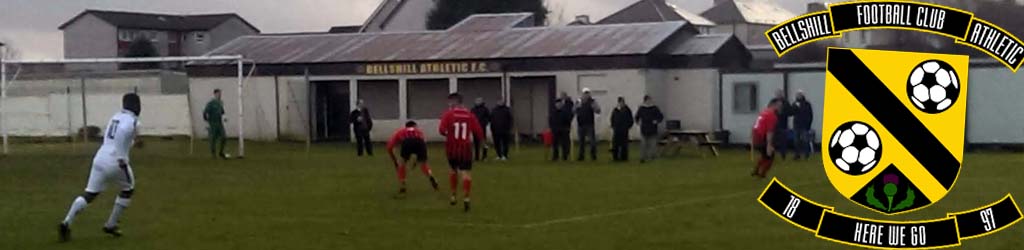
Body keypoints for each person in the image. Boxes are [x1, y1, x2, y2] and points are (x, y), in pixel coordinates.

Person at [59, 93, 142, 242]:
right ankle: (111, 224)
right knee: (128, 188)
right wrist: (122, 157)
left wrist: (131, 144)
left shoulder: (116, 116)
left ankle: (66, 222)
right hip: (116, 161)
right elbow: (122, 133)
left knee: (89, 194)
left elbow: (117, 135)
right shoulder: (133, 121)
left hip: (100, 158)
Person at [439, 93, 485, 212]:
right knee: (466, 173)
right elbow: (478, 132)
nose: (448, 104)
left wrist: (449, 134)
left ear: (455, 102)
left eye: (450, 102)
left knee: (453, 170)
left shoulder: (448, 114)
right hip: (465, 148)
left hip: (452, 148)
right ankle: (466, 198)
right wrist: (483, 144)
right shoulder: (470, 115)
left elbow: (441, 130)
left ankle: (453, 195)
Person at [386, 121, 439, 197]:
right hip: (420, 142)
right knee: (423, 164)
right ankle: (431, 176)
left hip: (407, 141)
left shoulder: (401, 131)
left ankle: (403, 184)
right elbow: (422, 143)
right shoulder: (419, 132)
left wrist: (394, 160)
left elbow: (390, 146)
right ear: (414, 126)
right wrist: (416, 160)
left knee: (402, 163)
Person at [752, 99, 782, 178]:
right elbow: (769, 131)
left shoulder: (764, 112)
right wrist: (769, 145)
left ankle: (756, 170)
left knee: (764, 156)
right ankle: (762, 174)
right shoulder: (772, 116)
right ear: (773, 105)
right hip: (762, 137)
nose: (780, 108)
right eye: (779, 106)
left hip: (756, 136)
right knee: (770, 156)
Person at [635, 95, 664, 163]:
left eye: (650, 100)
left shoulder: (655, 108)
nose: (649, 101)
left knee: (653, 145)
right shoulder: (641, 108)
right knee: (643, 144)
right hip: (644, 129)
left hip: (653, 129)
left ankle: (652, 157)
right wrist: (638, 122)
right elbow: (637, 117)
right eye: (648, 100)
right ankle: (642, 158)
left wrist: (657, 121)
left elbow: (660, 116)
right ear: (645, 101)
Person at [575, 88, 601, 161]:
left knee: (592, 141)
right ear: (582, 94)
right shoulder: (579, 101)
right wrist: (577, 107)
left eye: (587, 93)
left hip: (589, 124)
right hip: (581, 124)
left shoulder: (592, 101)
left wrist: (594, 107)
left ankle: (593, 155)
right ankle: (581, 156)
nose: (586, 95)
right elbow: (573, 110)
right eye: (585, 93)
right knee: (581, 142)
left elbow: (598, 110)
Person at [203, 89, 227, 159]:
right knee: (213, 139)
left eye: (220, 94)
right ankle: (213, 153)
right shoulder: (211, 103)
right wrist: (206, 120)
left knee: (224, 137)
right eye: (219, 94)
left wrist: (224, 118)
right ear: (215, 94)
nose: (220, 95)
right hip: (213, 123)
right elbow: (205, 112)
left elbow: (222, 112)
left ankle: (221, 152)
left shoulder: (220, 103)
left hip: (219, 123)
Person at [549, 97, 573, 161]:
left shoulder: (565, 112)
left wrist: (567, 127)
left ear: (561, 104)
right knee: (555, 144)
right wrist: (551, 128)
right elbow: (550, 120)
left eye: (559, 103)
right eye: (557, 104)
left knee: (564, 144)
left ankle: (564, 156)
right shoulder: (553, 112)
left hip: (564, 129)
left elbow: (569, 120)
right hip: (555, 130)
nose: (558, 105)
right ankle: (555, 156)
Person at [610, 97, 634, 162]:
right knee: (615, 145)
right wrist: (613, 126)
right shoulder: (615, 110)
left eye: (622, 102)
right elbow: (612, 118)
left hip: (624, 130)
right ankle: (615, 158)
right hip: (617, 130)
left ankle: (624, 158)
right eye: (619, 102)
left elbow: (631, 119)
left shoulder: (627, 110)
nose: (620, 103)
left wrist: (627, 126)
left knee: (624, 144)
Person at [792, 91, 814, 160]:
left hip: (804, 125)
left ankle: (806, 154)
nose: (798, 96)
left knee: (805, 141)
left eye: (799, 95)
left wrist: (808, 124)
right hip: (796, 125)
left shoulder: (807, 104)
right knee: (796, 141)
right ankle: (797, 155)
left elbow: (810, 115)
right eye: (797, 95)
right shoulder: (795, 103)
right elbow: (792, 112)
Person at [770, 89, 792, 160]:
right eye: (777, 94)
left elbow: (789, 112)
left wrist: (782, 111)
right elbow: (769, 109)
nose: (778, 95)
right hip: (773, 124)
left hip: (782, 124)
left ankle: (783, 155)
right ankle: (771, 155)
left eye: (780, 94)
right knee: (772, 140)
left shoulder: (786, 102)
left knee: (783, 141)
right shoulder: (773, 101)